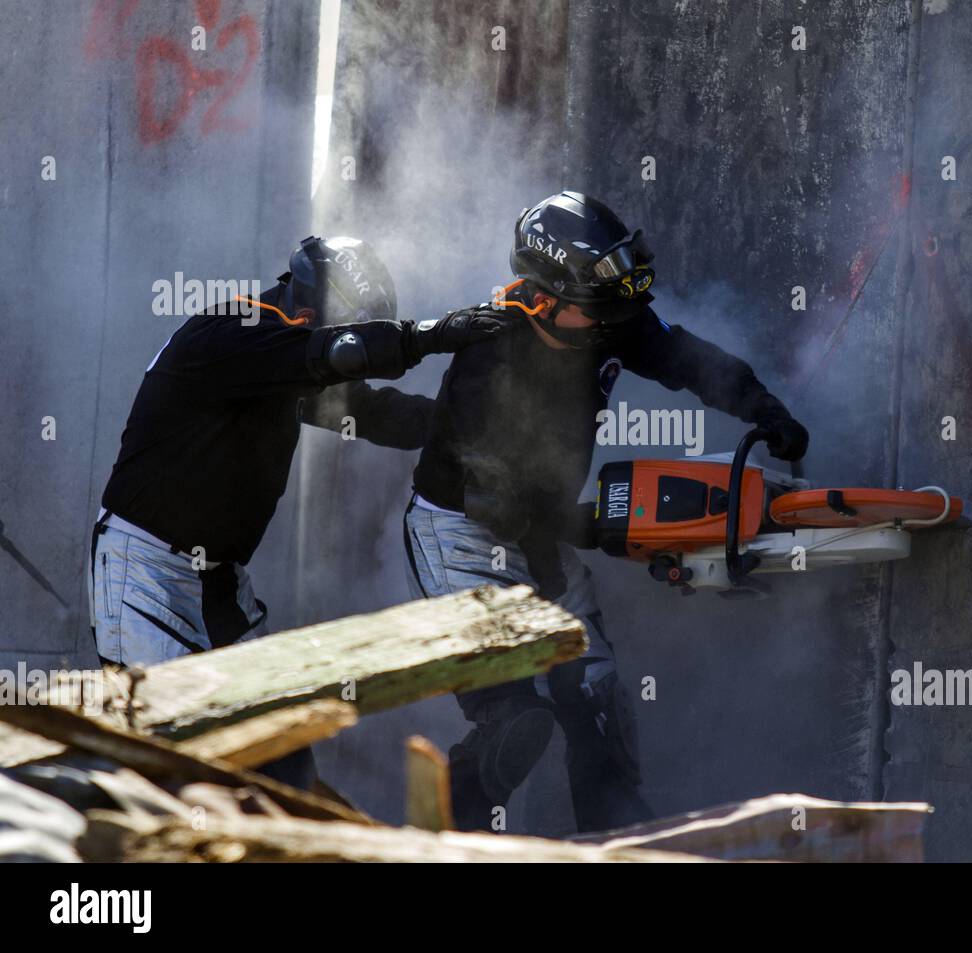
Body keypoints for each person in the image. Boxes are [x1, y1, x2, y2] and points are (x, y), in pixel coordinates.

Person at [404, 192, 810, 832]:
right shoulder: (489, 352)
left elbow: (688, 360)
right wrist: (595, 526)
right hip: (463, 534)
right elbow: (500, 501)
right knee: (517, 720)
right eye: (602, 304)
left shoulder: (610, 315)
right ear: (543, 296)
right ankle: (442, 840)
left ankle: (616, 837)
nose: (621, 317)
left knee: (595, 698)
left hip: (542, 530)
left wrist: (766, 409)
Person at [90, 236, 508, 672]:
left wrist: (469, 428)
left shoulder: (277, 358)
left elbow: (370, 413)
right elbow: (339, 354)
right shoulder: (234, 331)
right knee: (162, 732)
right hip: (145, 569)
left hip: (217, 579)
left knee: (276, 731)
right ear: (310, 313)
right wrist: (434, 335)